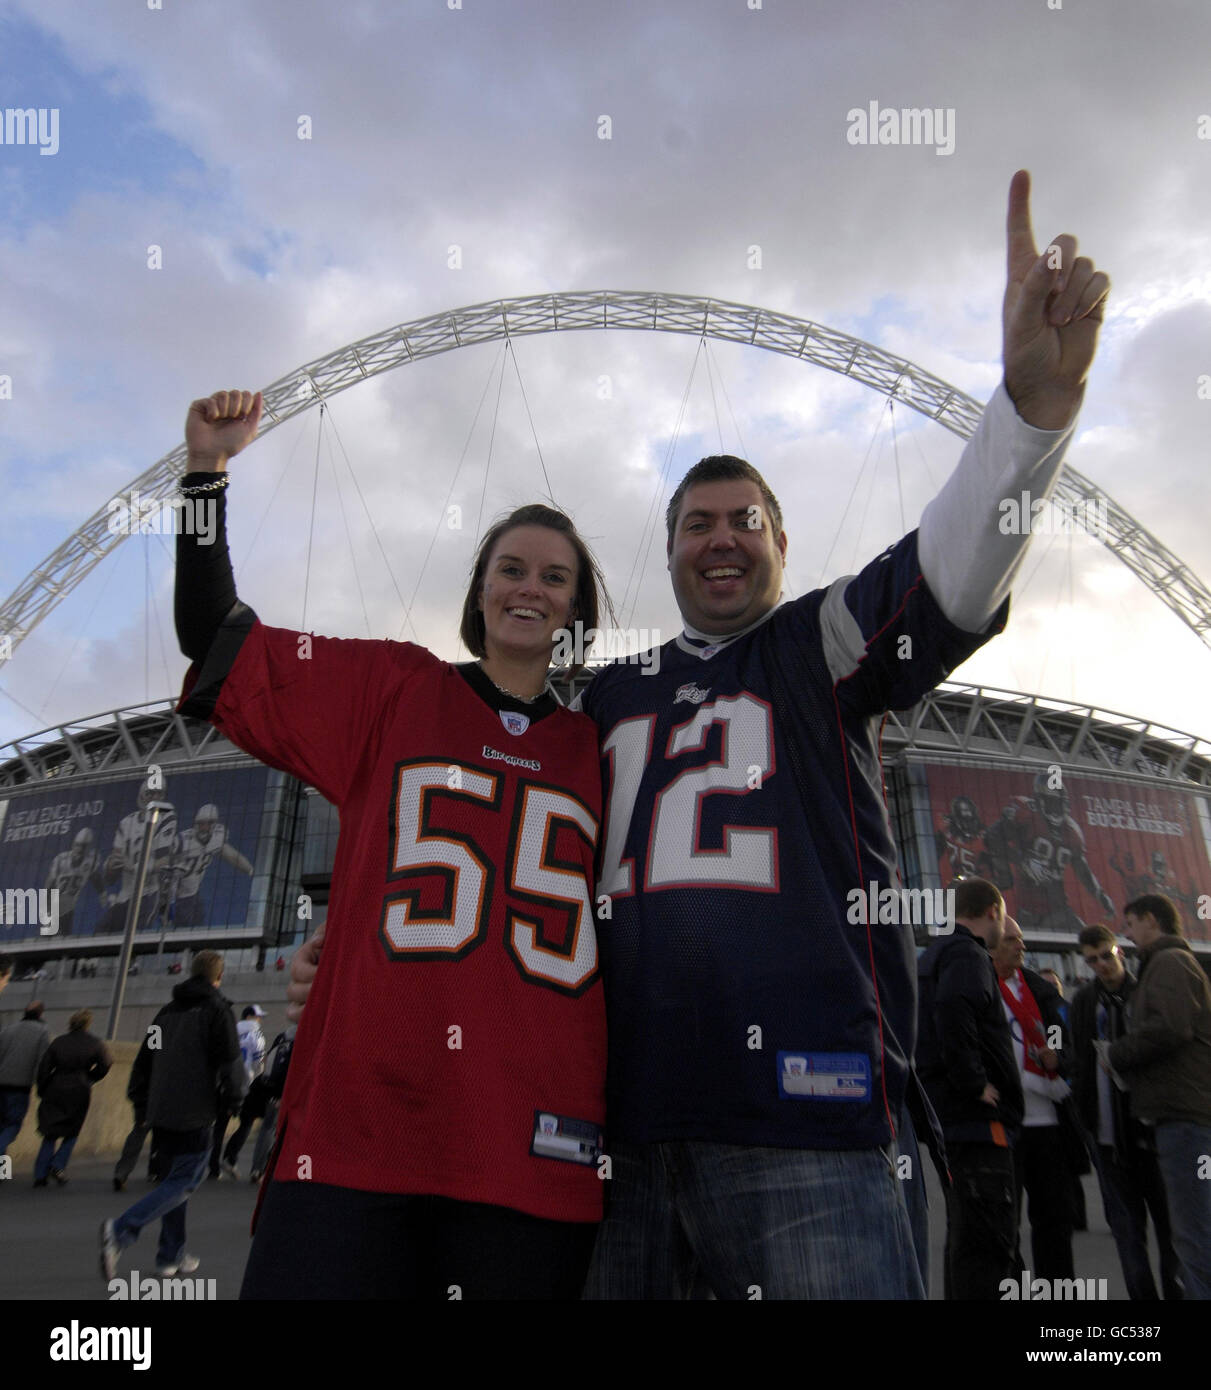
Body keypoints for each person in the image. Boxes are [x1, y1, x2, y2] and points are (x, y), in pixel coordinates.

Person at [293, 172, 1109, 1299]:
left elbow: (947, 578)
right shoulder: (603, 703)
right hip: (615, 1134)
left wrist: (1026, 410)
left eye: (744, 523)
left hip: (809, 1130)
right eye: (694, 526)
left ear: (782, 542)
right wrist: (350, 960)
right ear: (667, 552)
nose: (718, 542)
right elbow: (488, 844)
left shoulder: (816, 652)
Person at [173, 387, 611, 1301]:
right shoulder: (392, 689)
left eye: (553, 577)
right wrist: (206, 473)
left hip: (531, 1147)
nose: (529, 588)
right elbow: (214, 637)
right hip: (358, 1132)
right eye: (510, 568)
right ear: (479, 589)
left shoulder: (605, 743)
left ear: (578, 609)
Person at [100, 950, 240, 1279]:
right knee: (186, 1180)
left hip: (161, 1111)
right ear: (218, 977)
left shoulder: (165, 1013)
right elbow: (230, 1062)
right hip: (196, 1111)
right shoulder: (217, 1011)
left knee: (173, 1181)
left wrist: (141, 1101)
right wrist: (235, 1100)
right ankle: (120, 1231)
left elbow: (146, 1060)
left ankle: (170, 1255)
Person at [917, 879, 1023, 1299]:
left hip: (951, 1123)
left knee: (967, 1244)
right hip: (978, 1126)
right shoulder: (967, 954)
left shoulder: (935, 954)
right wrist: (975, 1083)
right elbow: (953, 1009)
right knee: (988, 1247)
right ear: (993, 911)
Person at [1069, 923, 1183, 1300]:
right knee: (1127, 1232)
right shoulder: (1085, 1001)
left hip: (1149, 1131)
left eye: (1106, 954)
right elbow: (1079, 1061)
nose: (1101, 964)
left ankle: (1175, 1293)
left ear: (1119, 950)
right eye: (1092, 960)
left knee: (1170, 1230)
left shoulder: (1142, 992)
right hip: (1105, 1137)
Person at [1108, 895, 1211, 1300]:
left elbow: (1169, 1028)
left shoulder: (1169, 963)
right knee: (1194, 1230)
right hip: (1184, 1115)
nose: (1127, 934)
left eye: (1130, 924)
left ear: (1151, 920)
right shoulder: (1170, 963)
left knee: (1194, 1233)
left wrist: (1115, 1053)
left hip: (1185, 1119)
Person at [991, 916, 1084, 1280]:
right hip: (1004, 1126)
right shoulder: (980, 987)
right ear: (993, 944)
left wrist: (1056, 1056)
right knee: (1003, 1229)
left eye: (1022, 939)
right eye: (1012, 939)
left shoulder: (1039, 990)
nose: (1021, 946)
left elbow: (1063, 1037)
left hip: (1048, 1125)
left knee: (1054, 1224)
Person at [33, 1010, 111, 1186]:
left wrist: (42, 1088)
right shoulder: (95, 1043)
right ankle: (58, 1164)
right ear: (87, 1024)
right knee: (73, 1130)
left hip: (56, 1087)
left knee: (50, 1132)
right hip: (80, 1088)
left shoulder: (59, 1042)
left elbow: (44, 1068)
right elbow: (106, 1064)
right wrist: (91, 1077)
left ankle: (40, 1174)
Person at [210, 1004, 267, 1180]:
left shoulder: (230, 1032)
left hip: (226, 1083)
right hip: (246, 1083)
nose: (260, 1020)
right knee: (247, 1122)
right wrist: (255, 1078)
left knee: (220, 1126)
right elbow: (259, 1061)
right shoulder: (256, 1035)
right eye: (258, 1016)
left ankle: (213, 1167)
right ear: (250, 1016)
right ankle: (230, 1157)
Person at [0, 1001, 51, 1159]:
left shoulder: (8, 1030)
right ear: (41, 1014)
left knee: (2, 1126)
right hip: (20, 1087)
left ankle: (3, 1172)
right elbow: (41, 1062)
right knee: (12, 1126)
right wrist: (41, 1086)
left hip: (1, 1084)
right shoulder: (42, 1032)